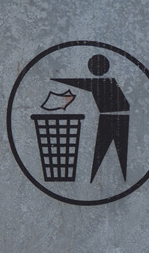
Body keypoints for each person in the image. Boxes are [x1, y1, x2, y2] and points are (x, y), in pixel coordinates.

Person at [53, 54, 130, 182]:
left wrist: (58, 80)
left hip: (112, 118)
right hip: (115, 117)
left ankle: (107, 178)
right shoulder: (110, 82)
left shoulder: (105, 83)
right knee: (110, 153)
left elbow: (83, 83)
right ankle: (108, 178)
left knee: (105, 152)